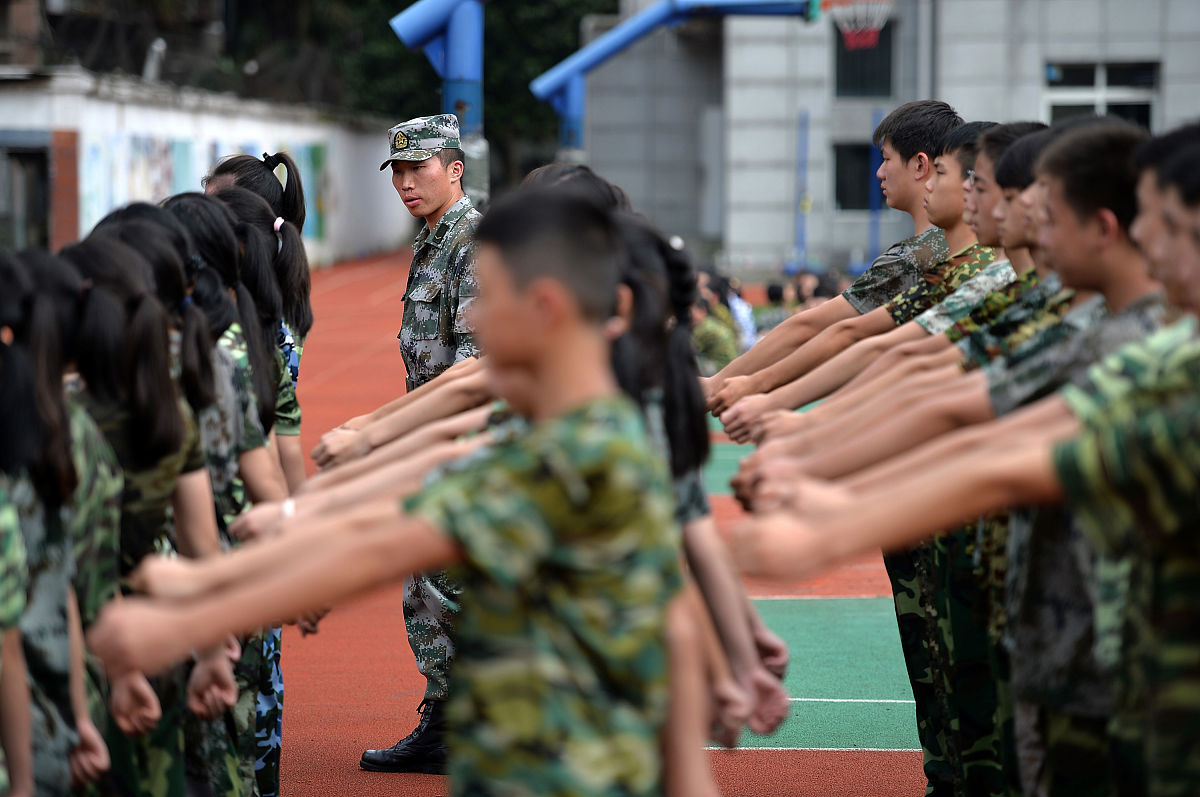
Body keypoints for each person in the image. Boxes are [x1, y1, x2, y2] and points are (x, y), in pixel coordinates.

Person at [89, 190, 686, 797]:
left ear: (547, 307)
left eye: (491, 297)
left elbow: (388, 543)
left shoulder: (580, 456)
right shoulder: (581, 432)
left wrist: (196, 606)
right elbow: (440, 466)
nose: (473, 319)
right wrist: (303, 514)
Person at [704, 100, 964, 414]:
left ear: (920, 166)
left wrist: (734, 384)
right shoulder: (957, 255)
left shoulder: (924, 254)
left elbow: (831, 331)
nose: (879, 172)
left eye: (885, 159)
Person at [359, 113, 483, 774]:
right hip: (434, 435)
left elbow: (472, 365)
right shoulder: (434, 238)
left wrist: (391, 431)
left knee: (445, 582)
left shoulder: (474, 243)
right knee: (435, 582)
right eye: (399, 171)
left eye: (420, 168)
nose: (406, 182)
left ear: (455, 168)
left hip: (462, 437)